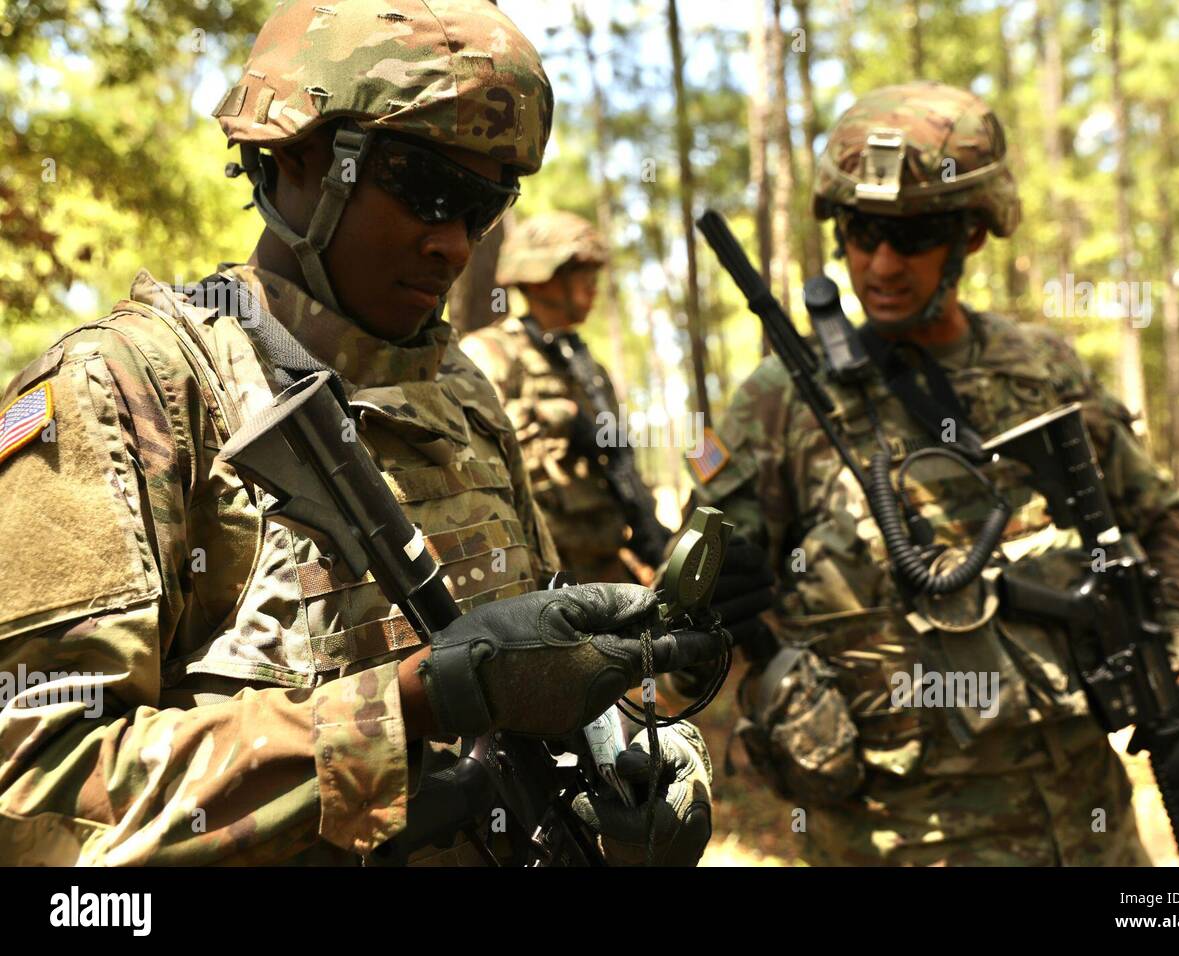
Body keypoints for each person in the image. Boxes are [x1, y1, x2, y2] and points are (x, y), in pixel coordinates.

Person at [0, 0, 711, 867]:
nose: (453, 243)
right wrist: (415, 705)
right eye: (427, 188)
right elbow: (35, 800)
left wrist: (638, 759)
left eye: (486, 203)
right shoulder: (123, 392)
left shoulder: (460, 390)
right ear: (294, 157)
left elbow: (544, 666)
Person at [686, 82, 1179, 865]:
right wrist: (719, 602)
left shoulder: (1043, 370)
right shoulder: (777, 405)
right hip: (895, 841)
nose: (880, 264)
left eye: (913, 237)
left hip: (1086, 831)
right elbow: (688, 609)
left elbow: (1153, 522)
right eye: (860, 231)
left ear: (972, 235)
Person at [462, 212, 669, 584]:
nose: (593, 287)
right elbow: (471, 459)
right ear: (541, 280)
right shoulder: (490, 354)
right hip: (534, 576)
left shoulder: (589, 370)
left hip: (604, 565)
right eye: (581, 275)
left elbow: (619, 461)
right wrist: (560, 419)